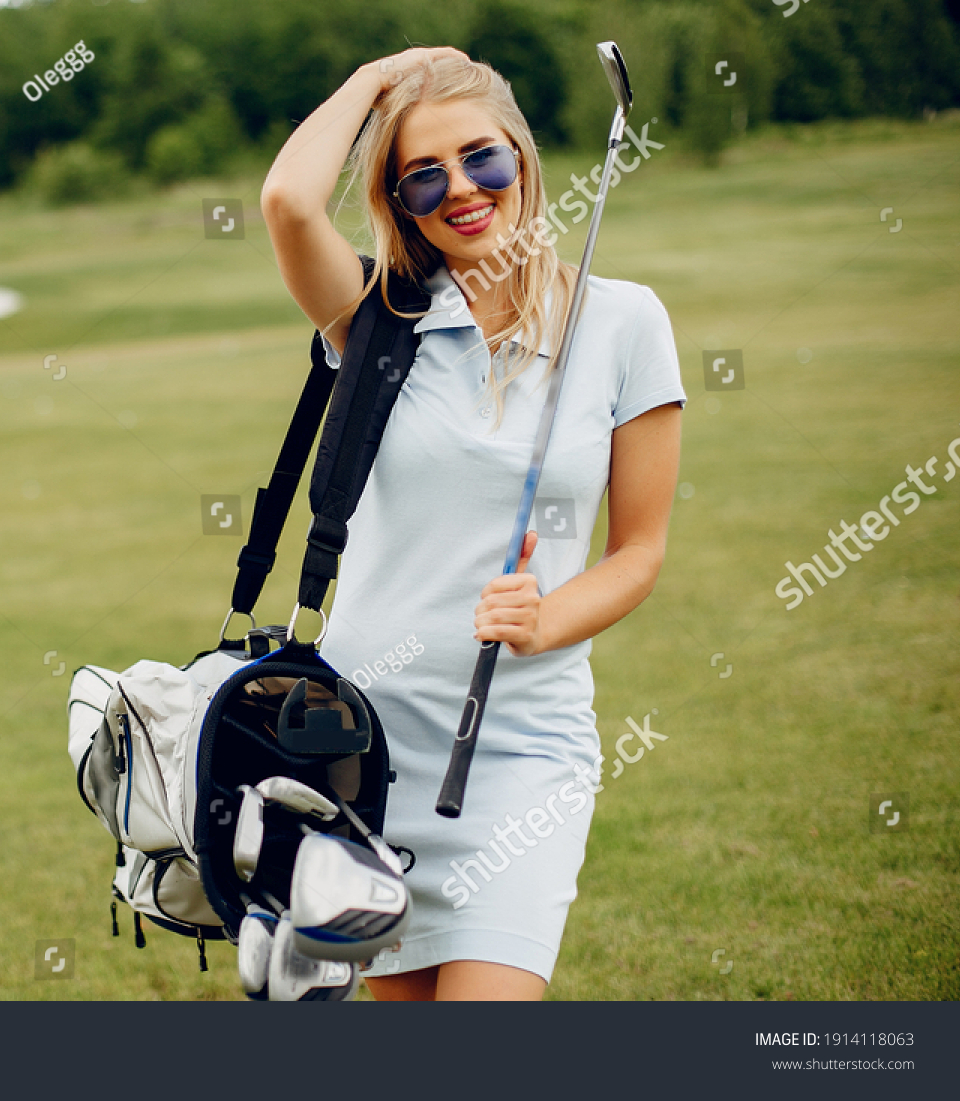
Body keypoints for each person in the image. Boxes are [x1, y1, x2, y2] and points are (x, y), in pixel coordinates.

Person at [261, 48, 685, 1000]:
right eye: (423, 174)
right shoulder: (373, 318)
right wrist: (381, 77)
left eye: (481, 157)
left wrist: (547, 618)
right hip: (365, 752)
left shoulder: (624, 323)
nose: (459, 188)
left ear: (522, 158)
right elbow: (288, 202)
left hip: (523, 752)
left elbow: (639, 551)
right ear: (399, 201)